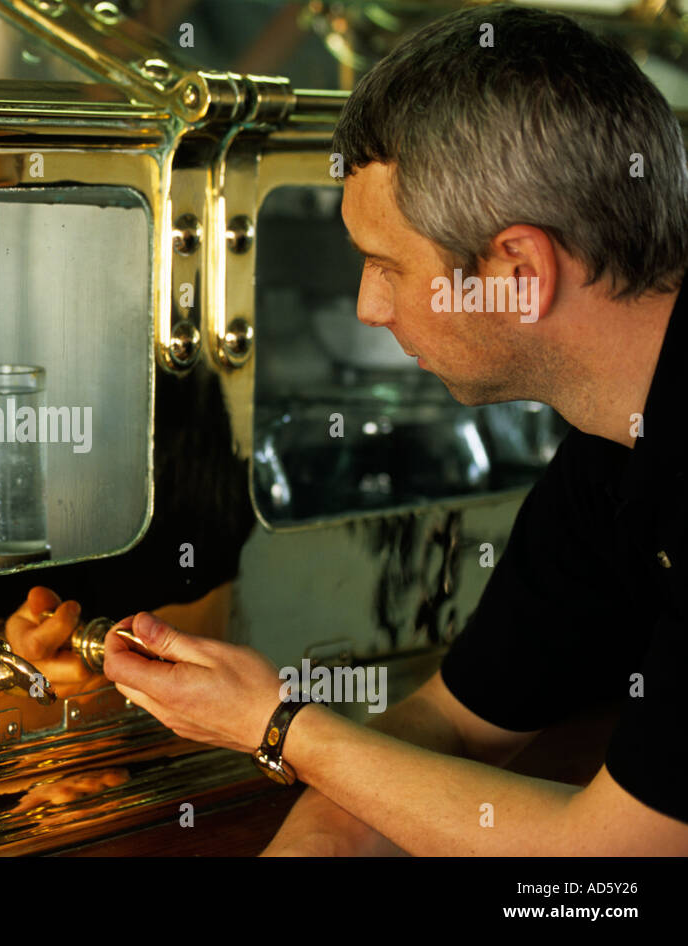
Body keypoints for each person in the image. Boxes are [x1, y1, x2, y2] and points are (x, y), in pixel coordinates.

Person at [103, 3, 688, 855]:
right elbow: (447, 725)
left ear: (519, 272)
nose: (368, 308)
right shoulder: (611, 451)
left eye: (387, 265)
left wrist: (278, 726)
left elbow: (604, 867)